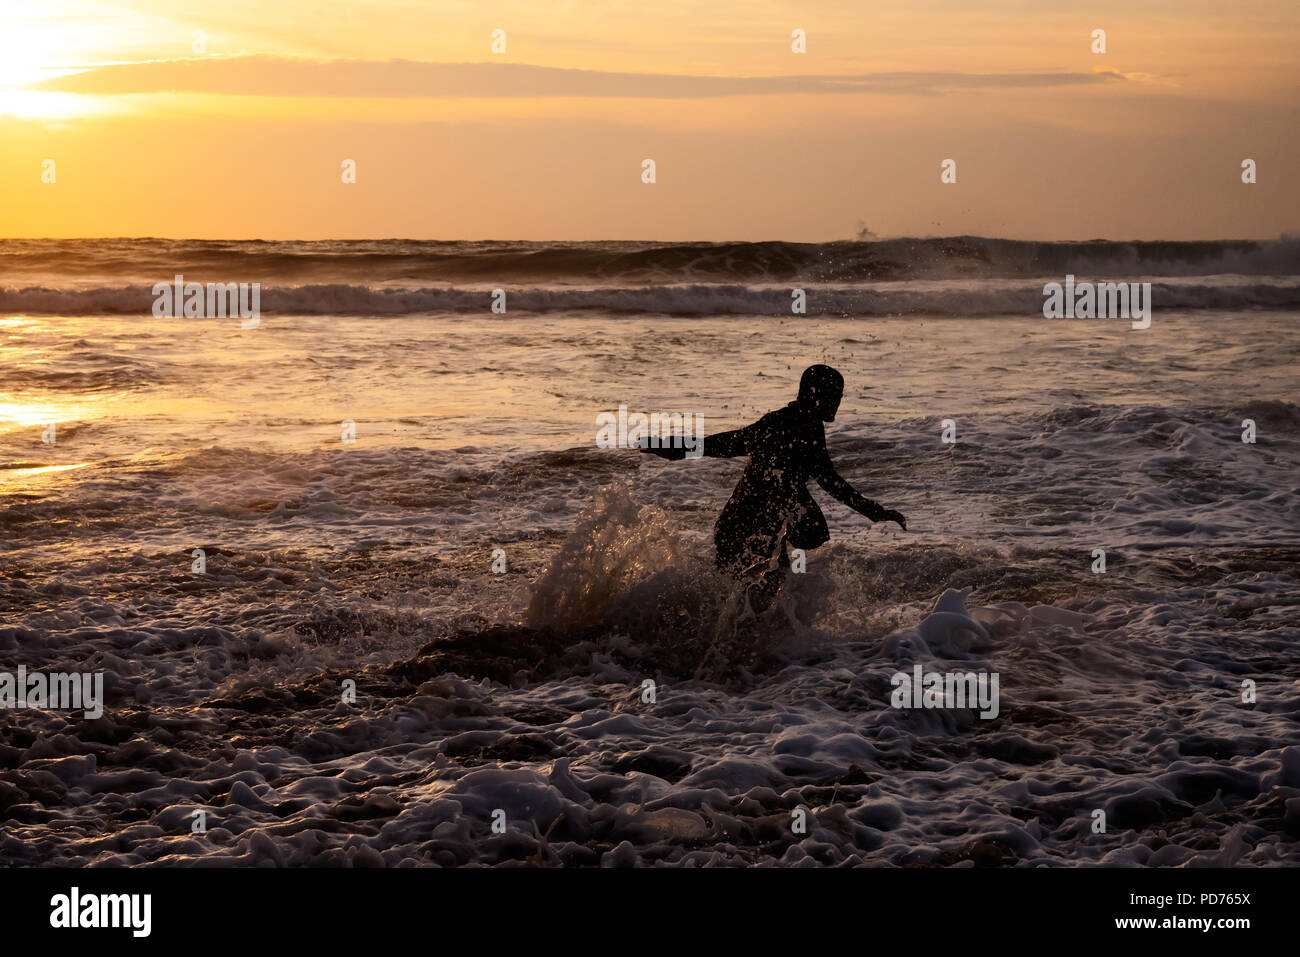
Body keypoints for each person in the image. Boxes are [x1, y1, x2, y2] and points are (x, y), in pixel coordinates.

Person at [641, 364, 906, 608]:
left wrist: (874, 511)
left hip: (769, 524)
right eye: (833, 394)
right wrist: (674, 448)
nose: (837, 401)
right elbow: (723, 444)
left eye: (839, 394)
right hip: (741, 523)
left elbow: (828, 479)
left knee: (769, 584)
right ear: (814, 394)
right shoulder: (779, 424)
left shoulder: (810, 426)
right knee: (729, 596)